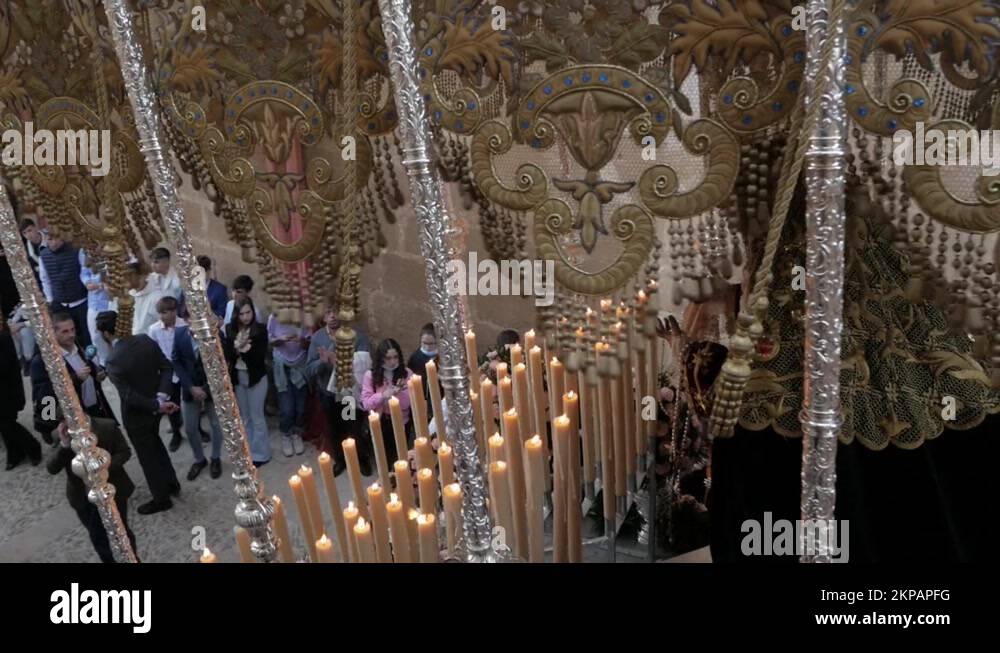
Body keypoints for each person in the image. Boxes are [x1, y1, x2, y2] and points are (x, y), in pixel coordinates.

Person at [99, 310, 180, 515]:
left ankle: (161, 498)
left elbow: (128, 396)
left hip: (137, 414)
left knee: (147, 457)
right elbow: (166, 367)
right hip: (155, 405)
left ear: (106, 334)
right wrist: (161, 398)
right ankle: (171, 483)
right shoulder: (144, 340)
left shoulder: (113, 359)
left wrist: (156, 404)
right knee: (157, 446)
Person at [47, 415, 137, 562]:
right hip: (82, 498)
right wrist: (64, 445)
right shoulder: (61, 435)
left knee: (121, 532)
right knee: (97, 536)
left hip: (110, 492)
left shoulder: (106, 427)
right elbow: (52, 467)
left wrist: (102, 468)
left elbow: (124, 452)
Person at [307, 304, 372, 476]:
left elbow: (365, 364)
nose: (333, 316)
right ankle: (341, 460)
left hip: (348, 394)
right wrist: (323, 361)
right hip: (328, 394)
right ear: (323, 317)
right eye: (328, 312)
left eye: (336, 311)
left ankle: (361, 458)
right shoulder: (318, 338)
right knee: (334, 429)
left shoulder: (358, 337)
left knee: (353, 427)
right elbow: (309, 369)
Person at [31, 312, 115, 444]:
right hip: (75, 422)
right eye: (65, 331)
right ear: (52, 333)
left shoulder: (78, 344)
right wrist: (75, 378)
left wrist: (97, 376)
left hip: (96, 411)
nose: (71, 334)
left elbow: (88, 370)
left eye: (72, 329)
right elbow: (45, 397)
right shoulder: (42, 361)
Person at [173, 318, 224, 480]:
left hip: (211, 388)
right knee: (189, 428)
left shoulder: (215, 336)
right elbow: (176, 360)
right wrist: (190, 387)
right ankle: (199, 459)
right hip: (190, 389)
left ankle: (215, 458)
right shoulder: (180, 334)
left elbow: (222, 365)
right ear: (188, 320)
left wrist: (206, 389)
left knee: (216, 425)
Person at [223, 297, 271, 466]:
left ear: (253, 311)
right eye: (241, 313)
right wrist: (236, 348)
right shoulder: (230, 329)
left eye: (248, 312)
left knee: (257, 416)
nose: (245, 317)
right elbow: (227, 354)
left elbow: (259, 357)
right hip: (238, 376)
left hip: (256, 377)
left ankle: (262, 454)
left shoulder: (260, 330)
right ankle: (250, 451)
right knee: (245, 417)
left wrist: (243, 349)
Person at [362, 338, 415, 465]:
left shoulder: (406, 373)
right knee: (384, 456)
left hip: (401, 421)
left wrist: (398, 393)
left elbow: (409, 402)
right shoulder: (371, 376)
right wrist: (383, 395)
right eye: (388, 358)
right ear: (380, 358)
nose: (392, 362)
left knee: (400, 455)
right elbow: (366, 403)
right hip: (381, 421)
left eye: (395, 357)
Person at [0, 311, 41, 470]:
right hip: (5, 390)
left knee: (6, 423)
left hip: (6, 392)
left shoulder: (3, 338)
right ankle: (15, 453)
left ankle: (32, 447)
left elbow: (5, 368)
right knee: (4, 425)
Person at [147, 296, 187, 452]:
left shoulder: (183, 325)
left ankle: (196, 428)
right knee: (172, 404)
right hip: (168, 374)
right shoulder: (154, 330)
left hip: (184, 370)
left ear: (174, 312)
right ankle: (176, 433)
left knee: (191, 403)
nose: (162, 316)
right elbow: (152, 352)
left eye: (165, 312)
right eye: (160, 313)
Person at [38, 230, 90, 348]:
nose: (54, 242)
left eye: (57, 238)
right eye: (50, 240)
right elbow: (45, 279)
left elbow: (84, 271)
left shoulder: (76, 250)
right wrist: (50, 299)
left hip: (80, 300)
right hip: (60, 303)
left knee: (87, 336)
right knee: (66, 339)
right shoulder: (43, 256)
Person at [268, 312, 310, 457]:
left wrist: (301, 340)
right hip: (282, 366)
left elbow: (308, 344)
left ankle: (297, 433)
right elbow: (270, 341)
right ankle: (286, 434)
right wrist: (280, 340)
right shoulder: (274, 317)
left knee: (300, 406)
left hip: (300, 365)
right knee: (286, 407)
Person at [80, 249, 113, 365]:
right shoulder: (84, 250)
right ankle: (104, 363)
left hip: (109, 303)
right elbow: (84, 272)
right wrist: (87, 282)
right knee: (96, 336)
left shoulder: (109, 249)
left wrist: (100, 285)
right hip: (93, 303)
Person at [178, 255, 228, 320]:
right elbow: (179, 308)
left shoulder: (220, 290)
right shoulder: (188, 287)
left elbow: (222, 312)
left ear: (208, 271)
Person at [128, 259, 164, 336]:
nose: (126, 279)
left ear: (141, 276)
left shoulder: (157, 297)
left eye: (130, 275)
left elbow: (163, 325)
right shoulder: (129, 296)